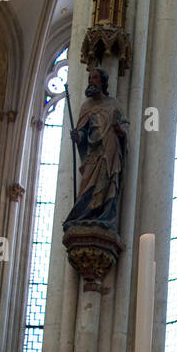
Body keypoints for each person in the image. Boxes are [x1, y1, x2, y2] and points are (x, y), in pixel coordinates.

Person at [64, 67, 129, 231]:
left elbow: (125, 127)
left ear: (103, 81)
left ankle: (104, 217)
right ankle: (82, 216)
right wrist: (77, 136)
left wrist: (118, 128)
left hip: (110, 149)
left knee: (108, 181)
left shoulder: (114, 104)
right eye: (90, 78)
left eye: (95, 78)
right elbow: (82, 131)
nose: (91, 81)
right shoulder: (86, 107)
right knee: (87, 183)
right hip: (93, 152)